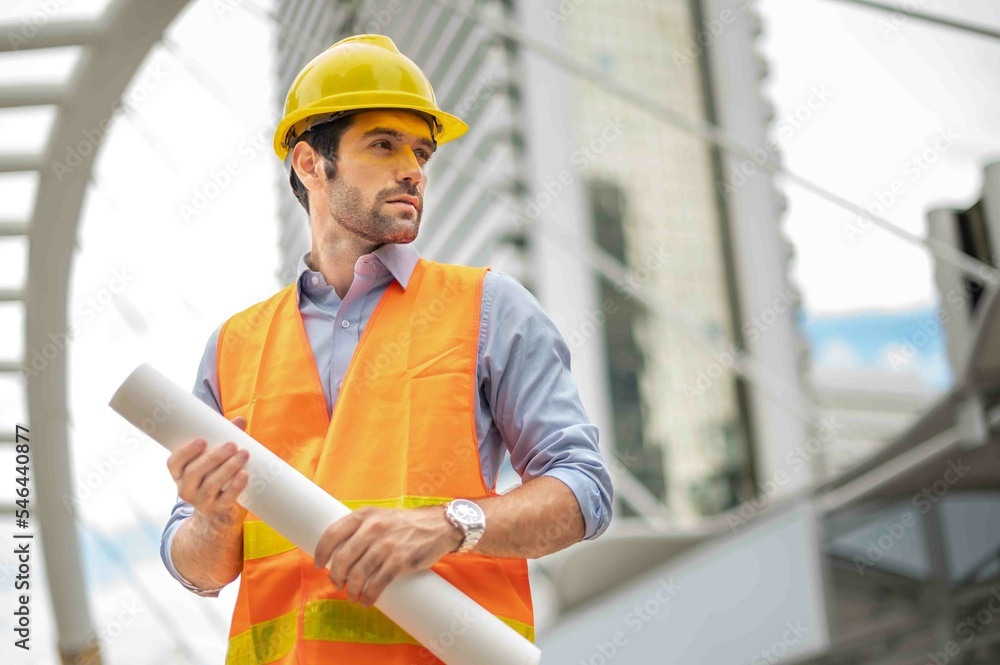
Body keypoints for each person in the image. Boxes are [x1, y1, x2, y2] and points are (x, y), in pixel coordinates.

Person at [158, 34, 613, 664]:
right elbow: (199, 569)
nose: (414, 169)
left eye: (421, 151)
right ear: (310, 163)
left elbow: (584, 491)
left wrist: (451, 524)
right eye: (383, 144)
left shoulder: (488, 308)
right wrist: (213, 519)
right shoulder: (234, 347)